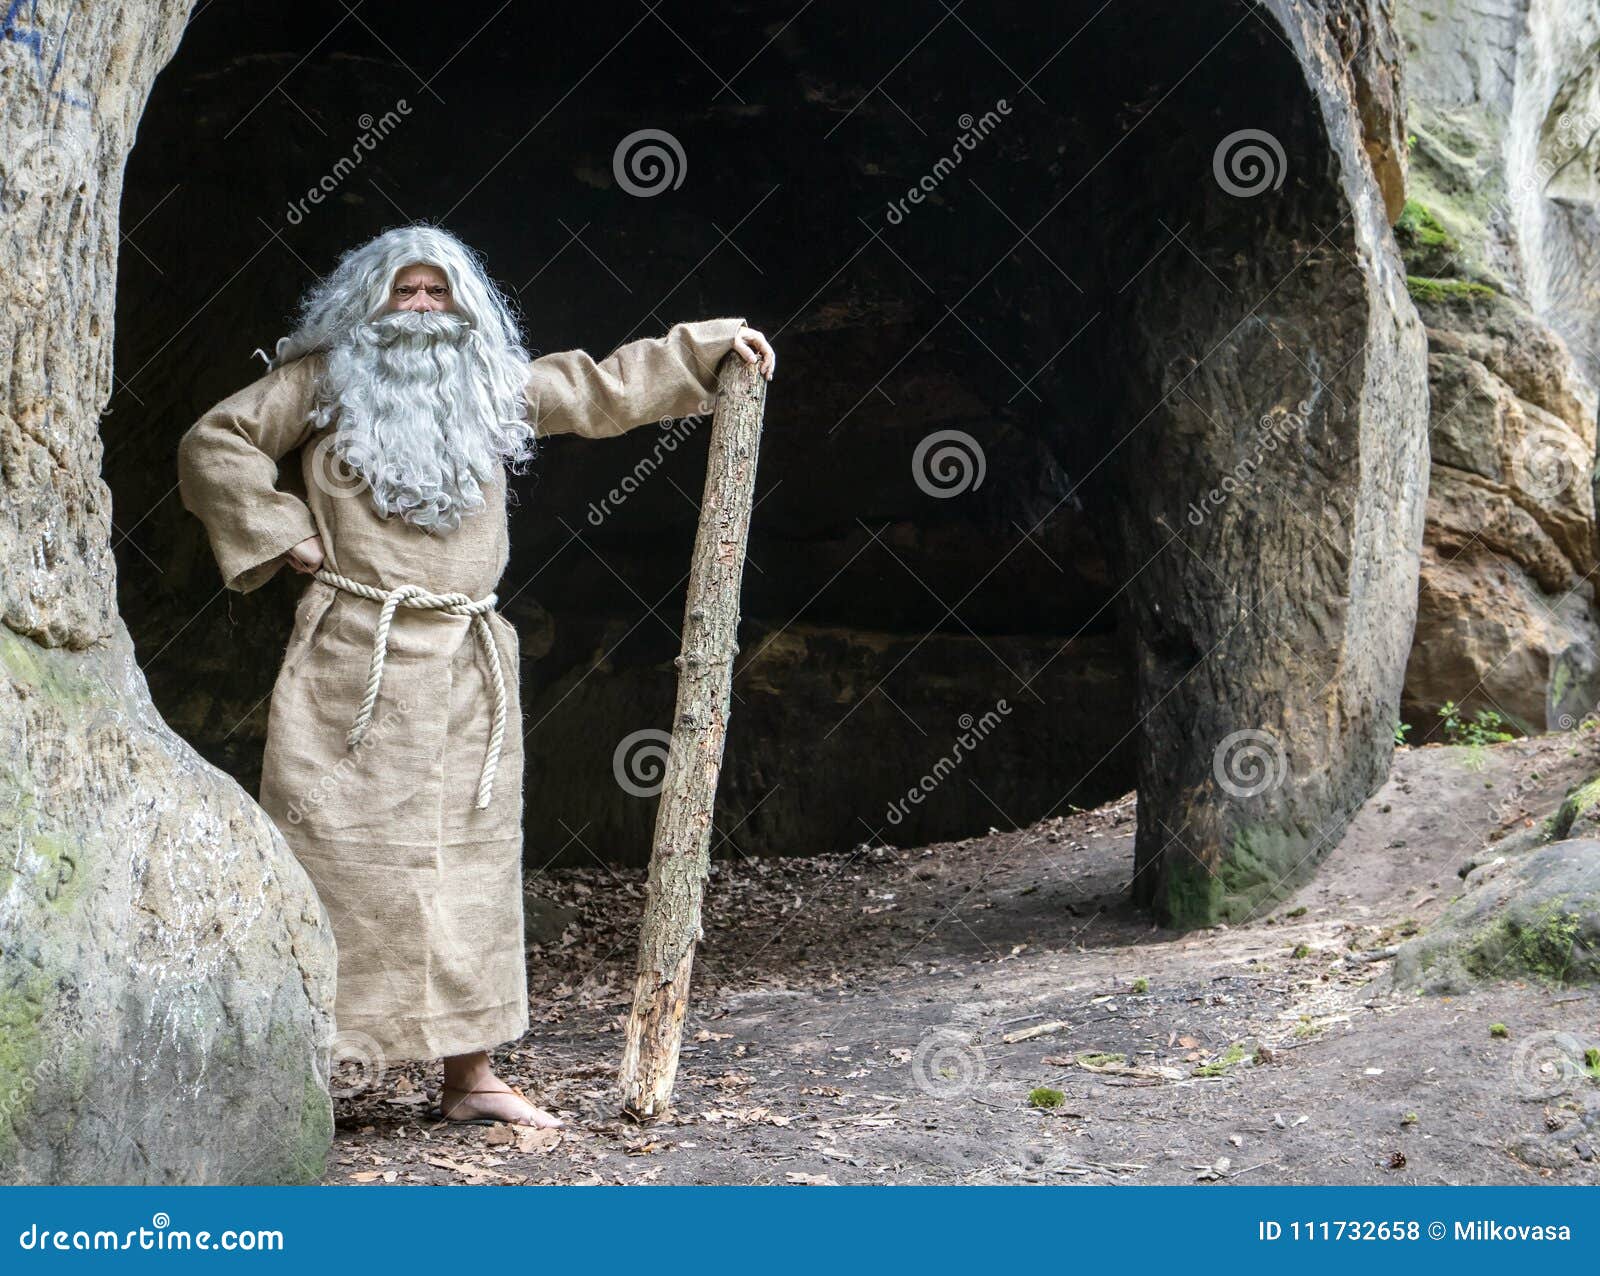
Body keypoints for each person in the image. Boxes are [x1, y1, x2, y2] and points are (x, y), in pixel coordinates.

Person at [177, 223, 775, 1127]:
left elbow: (602, 387)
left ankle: (471, 1079)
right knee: (331, 863)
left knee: (471, 871)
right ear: (366, 303)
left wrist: (708, 349)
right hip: (351, 660)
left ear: (465, 303)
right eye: (403, 292)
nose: (421, 310)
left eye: (438, 292)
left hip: (465, 672)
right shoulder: (319, 383)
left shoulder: (494, 385)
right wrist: (279, 527)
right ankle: (310, 1072)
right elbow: (216, 441)